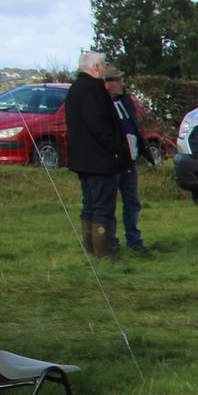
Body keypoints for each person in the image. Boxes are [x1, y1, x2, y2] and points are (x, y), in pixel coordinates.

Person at [63, 51, 131, 261]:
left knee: (90, 205)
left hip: (82, 159)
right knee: (102, 206)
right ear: (94, 68)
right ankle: (104, 252)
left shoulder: (75, 88)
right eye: (102, 65)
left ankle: (91, 250)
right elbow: (98, 125)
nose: (104, 68)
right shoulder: (94, 89)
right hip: (100, 160)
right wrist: (115, 149)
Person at [106, 70, 150, 256]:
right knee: (109, 204)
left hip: (129, 161)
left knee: (132, 202)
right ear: (107, 83)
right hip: (112, 161)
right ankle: (112, 242)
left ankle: (134, 240)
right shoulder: (102, 104)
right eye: (118, 80)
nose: (122, 83)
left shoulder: (125, 101)